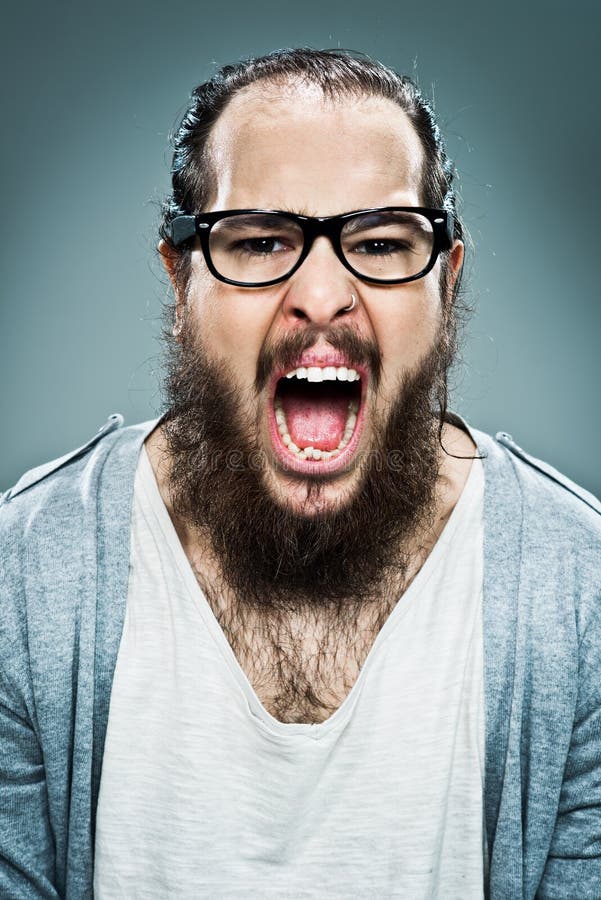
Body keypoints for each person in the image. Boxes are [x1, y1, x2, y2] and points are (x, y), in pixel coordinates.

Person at [0, 48, 599, 900]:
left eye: (382, 242)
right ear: (180, 283)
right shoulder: (25, 579)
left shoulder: (577, 595)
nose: (321, 295)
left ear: (446, 283)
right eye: (259, 241)